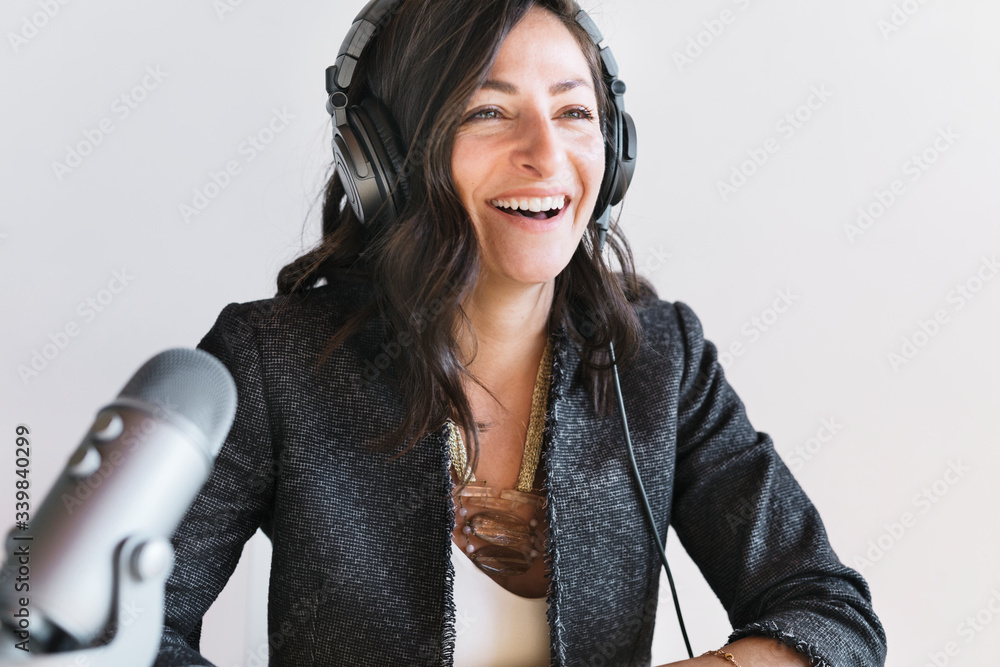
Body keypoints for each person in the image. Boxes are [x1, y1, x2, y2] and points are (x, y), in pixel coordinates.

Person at [155, 0, 887, 665]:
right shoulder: (272, 362)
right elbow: (111, 632)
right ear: (385, 159)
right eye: (488, 112)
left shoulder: (662, 360)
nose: (546, 154)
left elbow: (831, 614)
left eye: (573, 113)